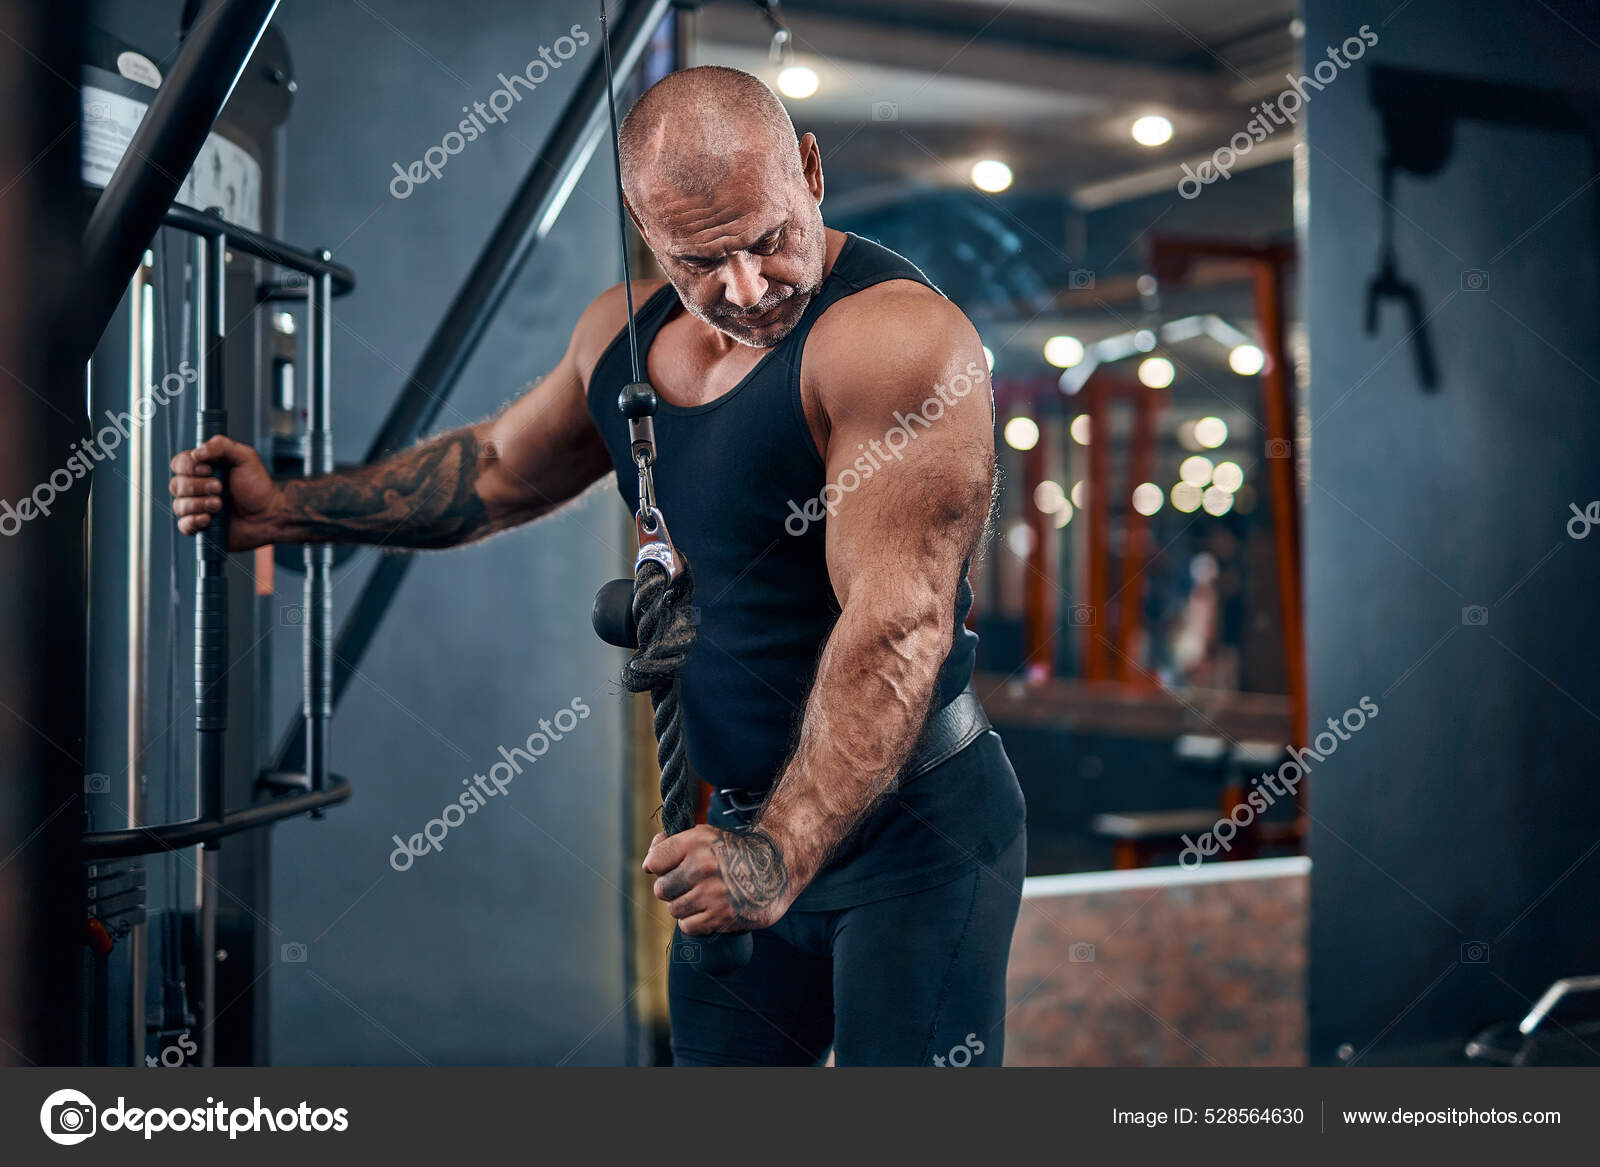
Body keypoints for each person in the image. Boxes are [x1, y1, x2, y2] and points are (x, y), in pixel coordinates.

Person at [170, 65, 1025, 1066]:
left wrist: (779, 854)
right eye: (700, 259)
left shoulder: (894, 342)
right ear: (645, 231)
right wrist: (283, 511)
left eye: (769, 239)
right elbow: (493, 474)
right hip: (740, 831)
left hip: (913, 836)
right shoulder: (621, 337)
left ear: (810, 170)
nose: (746, 288)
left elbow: (898, 625)